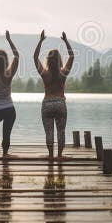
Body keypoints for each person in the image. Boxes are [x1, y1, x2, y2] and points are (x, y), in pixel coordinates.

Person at [34, 30, 74, 159]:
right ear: (59, 60)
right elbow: (72, 56)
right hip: (60, 103)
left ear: (48, 61)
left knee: (49, 132)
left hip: (47, 104)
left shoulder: (44, 74)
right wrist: (66, 41)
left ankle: (51, 155)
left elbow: (35, 57)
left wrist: (40, 41)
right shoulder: (63, 73)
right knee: (60, 131)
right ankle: (60, 155)